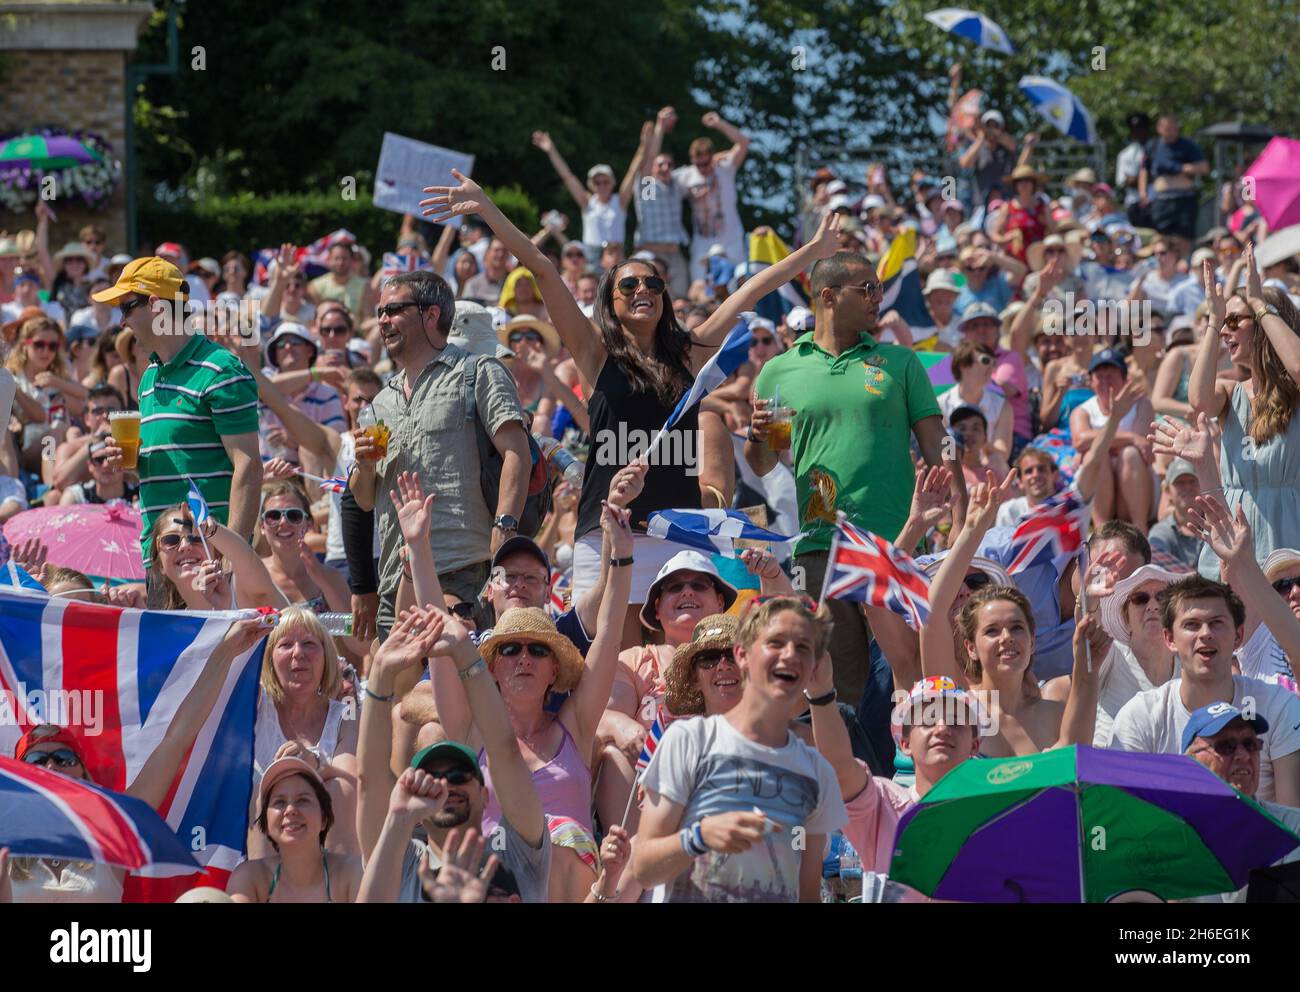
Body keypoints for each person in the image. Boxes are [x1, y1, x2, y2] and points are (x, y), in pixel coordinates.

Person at [422, 170, 840, 638]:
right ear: (610, 300)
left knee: (681, 669)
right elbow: (541, 265)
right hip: (606, 533)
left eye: (653, 284)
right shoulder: (592, 352)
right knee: (611, 671)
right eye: (629, 285)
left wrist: (813, 251)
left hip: (678, 537)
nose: (643, 290)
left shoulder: (691, 353)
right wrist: (485, 207)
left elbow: (752, 289)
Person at [744, 249, 946, 702]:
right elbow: (763, 462)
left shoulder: (901, 362)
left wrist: (963, 518)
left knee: (915, 682)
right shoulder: (779, 371)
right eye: (868, 288)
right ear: (828, 296)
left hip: (900, 545)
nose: (879, 297)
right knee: (839, 692)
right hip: (822, 549)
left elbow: (939, 449)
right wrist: (758, 437)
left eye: (878, 287)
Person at [430, 501, 632, 901]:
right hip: (496, 884)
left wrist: (622, 557)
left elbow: (609, 632)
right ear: (490, 668)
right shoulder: (471, 732)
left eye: (538, 651)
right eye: (510, 650)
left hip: (575, 890)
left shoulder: (576, 727)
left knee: (558, 845)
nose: (524, 658)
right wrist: (419, 548)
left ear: (555, 669)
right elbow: (439, 641)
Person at [2, 619, 266, 902]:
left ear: (84, 772)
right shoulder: (5, 839)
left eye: (64, 757)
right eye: (38, 760)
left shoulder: (113, 827)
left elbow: (175, 741)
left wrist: (225, 653)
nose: (51, 766)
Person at [348, 269, 531, 639]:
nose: (382, 320)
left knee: (459, 689)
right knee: (402, 695)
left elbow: (517, 453)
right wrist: (364, 468)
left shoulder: (477, 371)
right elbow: (365, 500)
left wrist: (505, 527)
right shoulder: (381, 401)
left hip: (462, 568)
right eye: (380, 311)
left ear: (431, 315)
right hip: (396, 578)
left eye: (394, 310)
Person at [632, 596, 848, 903]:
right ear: (745, 655)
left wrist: (823, 694)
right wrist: (700, 836)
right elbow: (644, 868)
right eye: (775, 643)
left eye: (803, 647)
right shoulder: (686, 741)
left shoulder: (816, 770)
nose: (789, 655)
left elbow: (808, 893)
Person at [1108, 496, 1300, 805]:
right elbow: (1128, 824)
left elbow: (1293, 826)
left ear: (1239, 636)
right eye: (1192, 625)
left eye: (1217, 623)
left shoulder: (1277, 706)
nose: (1206, 634)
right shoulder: (1140, 717)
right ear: (1170, 639)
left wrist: (1244, 563)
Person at [355, 605, 551, 904]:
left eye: (459, 775)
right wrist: (381, 675)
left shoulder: (517, 849)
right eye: (432, 779)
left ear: (485, 795)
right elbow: (369, 782)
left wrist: (465, 653)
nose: (446, 785)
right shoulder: (404, 860)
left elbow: (505, 750)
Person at [93, 257, 262, 570]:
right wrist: (129, 463)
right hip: (161, 556)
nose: (122, 322)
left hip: (209, 558)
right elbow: (166, 467)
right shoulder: (148, 377)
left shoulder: (222, 370)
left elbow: (249, 467)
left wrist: (233, 557)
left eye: (126, 307)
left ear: (156, 305)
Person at [921, 474, 1106, 754]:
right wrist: (972, 531)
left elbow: (1073, 757)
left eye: (1017, 627)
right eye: (991, 630)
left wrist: (1087, 659)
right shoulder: (955, 704)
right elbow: (932, 615)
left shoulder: (1054, 713)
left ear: (1033, 641)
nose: (1006, 637)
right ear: (970, 647)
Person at [1188, 248, 1300, 580]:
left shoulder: (1295, 392)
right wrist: (1214, 319)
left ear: (1265, 324)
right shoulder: (1230, 393)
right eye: (1225, 324)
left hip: (1288, 545)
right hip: (1236, 542)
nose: (1226, 331)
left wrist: (1259, 302)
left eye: (1236, 321)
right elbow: (1198, 400)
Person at [252, 607, 359, 855]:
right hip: (263, 848)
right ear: (269, 659)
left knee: (340, 790)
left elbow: (352, 779)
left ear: (326, 657)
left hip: (325, 844)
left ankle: (339, 887)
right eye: (286, 645)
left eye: (310, 644)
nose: (298, 653)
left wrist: (316, 763)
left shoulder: (347, 709)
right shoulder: (255, 702)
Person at [1182, 703, 1300, 902]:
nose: (1244, 755)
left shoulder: (1292, 830)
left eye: (1250, 744)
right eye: (1226, 746)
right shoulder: (1168, 840)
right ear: (1190, 762)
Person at [227, 756, 363, 903]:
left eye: (303, 800)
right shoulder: (248, 877)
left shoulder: (353, 872)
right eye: (279, 802)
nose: (291, 810)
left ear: (324, 818)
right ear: (266, 823)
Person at [142, 503, 289, 612]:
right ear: (160, 565)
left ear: (217, 555)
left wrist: (211, 530)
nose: (185, 545)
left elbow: (246, 558)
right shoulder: (178, 629)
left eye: (198, 537)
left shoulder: (244, 592)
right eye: (171, 540)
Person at [1069, 348, 1156, 528]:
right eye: (1100, 376)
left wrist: (1103, 443)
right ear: (1091, 381)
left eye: (1111, 376)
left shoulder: (1142, 405)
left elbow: (1144, 446)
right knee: (1099, 457)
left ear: (1125, 380)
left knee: (1130, 455)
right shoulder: (1082, 410)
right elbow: (1080, 441)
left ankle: (1141, 530)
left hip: (1135, 484)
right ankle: (1102, 531)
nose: (1105, 382)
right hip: (1099, 487)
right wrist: (1130, 437)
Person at [531, 131, 631, 261]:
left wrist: (645, 145)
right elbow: (567, 176)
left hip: (616, 253)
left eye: (605, 182)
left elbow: (633, 172)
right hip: (591, 255)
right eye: (597, 182)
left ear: (612, 183)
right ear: (591, 185)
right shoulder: (588, 202)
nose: (601, 186)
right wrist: (551, 150)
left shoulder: (620, 201)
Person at [673, 111, 751, 276]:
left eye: (706, 163)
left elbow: (744, 143)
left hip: (731, 240)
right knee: (700, 286)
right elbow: (654, 180)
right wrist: (647, 193)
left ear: (712, 157)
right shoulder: (687, 175)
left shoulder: (725, 168)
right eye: (698, 164)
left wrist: (718, 123)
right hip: (703, 242)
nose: (702, 168)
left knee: (737, 284)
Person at [633, 109, 691, 299]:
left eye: (669, 164)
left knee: (680, 299)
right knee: (648, 296)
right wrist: (660, 126)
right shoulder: (649, 189)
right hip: (650, 255)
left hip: (675, 256)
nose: (665, 168)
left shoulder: (676, 186)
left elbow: (702, 165)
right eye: (661, 165)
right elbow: (649, 159)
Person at [1138, 114, 1208, 254]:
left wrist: (1181, 168)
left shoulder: (1188, 146)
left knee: (1184, 238)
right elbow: (1144, 170)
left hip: (1184, 199)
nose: (1170, 132)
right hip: (1161, 200)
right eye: (1167, 128)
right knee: (1161, 238)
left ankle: (1183, 268)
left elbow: (1204, 167)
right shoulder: (1153, 146)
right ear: (1159, 129)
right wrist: (1143, 192)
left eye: (1173, 129)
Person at [941, 341, 1012, 462]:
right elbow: (940, 448)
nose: (991, 367)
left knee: (997, 462)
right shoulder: (941, 404)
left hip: (987, 467)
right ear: (963, 365)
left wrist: (975, 445)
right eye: (985, 361)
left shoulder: (1002, 405)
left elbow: (1003, 452)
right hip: (953, 466)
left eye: (994, 363)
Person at [1147, 458, 1202, 571]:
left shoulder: (1216, 525)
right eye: (1180, 483)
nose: (1187, 487)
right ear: (1167, 491)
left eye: (1192, 481)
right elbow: (1157, 567)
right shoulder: (1161, 531)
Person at [308, 240, 374, 323]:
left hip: (356, 333)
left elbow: (368, 318)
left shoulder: (364, 286)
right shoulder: (315, 287)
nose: (340, 262)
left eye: (344, 258)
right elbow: (313, 318)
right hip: (325, 332)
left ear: (351, 260)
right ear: (328, 260)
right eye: (337, 258)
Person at [59, 439, 138, 506]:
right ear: (89, 465)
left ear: (123, 462)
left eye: (112, 458)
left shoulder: (141, 494)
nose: (106, 465)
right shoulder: (77, 497)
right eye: (99, 460)